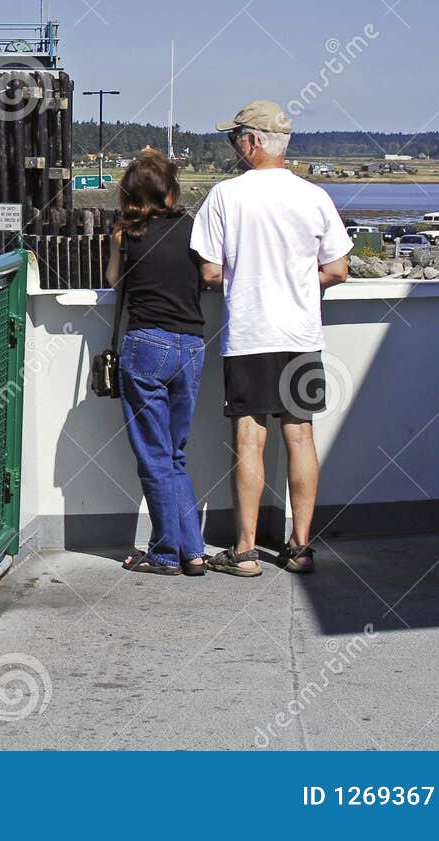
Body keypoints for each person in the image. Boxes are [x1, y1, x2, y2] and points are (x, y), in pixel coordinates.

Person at [190, 101, 350, 577]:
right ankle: (300, 546)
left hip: (250, 334)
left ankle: (245, 550)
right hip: (301, 333)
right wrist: (297, 282)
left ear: (253, 141)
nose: (233, 146)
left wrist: (248, 280)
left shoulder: (225, 195)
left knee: (249, 436)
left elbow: (210, 271)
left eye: (234, 138)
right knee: (300, 435)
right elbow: (338, 269)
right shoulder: (314, 196)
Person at [106, 149, 208, 577]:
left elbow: (114, 281)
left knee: (154, 456)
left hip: (147, 342)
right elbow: (207, 275)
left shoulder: (125, 234)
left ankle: (165, 552)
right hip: (192, 345)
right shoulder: (193, 228)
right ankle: (194, 551)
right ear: (170, 192)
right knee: (174, 454)